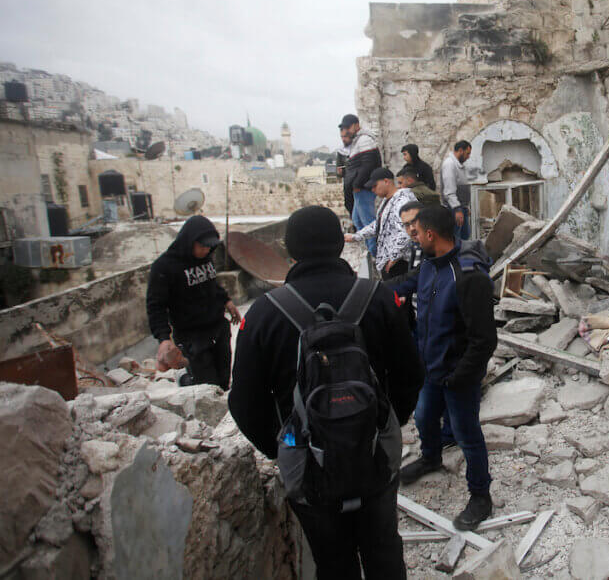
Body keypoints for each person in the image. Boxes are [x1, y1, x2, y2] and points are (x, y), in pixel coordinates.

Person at [228, 205, 424, 579]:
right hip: (375, 457)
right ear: (339, 245)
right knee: (383, 551)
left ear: (291, 250)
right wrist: (384, 425)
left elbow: (243, 402)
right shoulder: (377, 297)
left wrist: (284, 445)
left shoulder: (265, 314)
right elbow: (411, 374)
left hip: (307, 467)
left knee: (333, 562)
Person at [393, 206, 497, 530]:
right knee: (424, 417)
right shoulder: (429, 266)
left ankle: (481, 496)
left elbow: (484, 341)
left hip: (456, 377)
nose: (413, 235)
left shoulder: (468, 276)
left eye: (417, 230)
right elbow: (403, 286)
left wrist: (459, 377)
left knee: (467, 435)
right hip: (431, 369)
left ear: (431, 235)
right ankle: (431, 457)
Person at [146, 215, 241, 390]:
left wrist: (227, 301)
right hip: (192, 336)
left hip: (218, 329)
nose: (206, 250)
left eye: (209, 247)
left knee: (223, 380)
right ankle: (185, 379)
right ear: (189, 241)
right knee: (208, 387)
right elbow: (155, 305)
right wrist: (163, 338)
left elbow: (211, 284)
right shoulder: (164, 267)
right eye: (202, 246)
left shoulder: (204, 258)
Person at [345, 168, 417, 280]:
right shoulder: (387, 201)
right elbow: (378, 225)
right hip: (390, 261)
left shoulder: (402, 202)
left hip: (400, 263)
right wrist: (356, 236)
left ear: (386, 181)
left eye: (375, 185)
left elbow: (406, 232)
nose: (373, 190)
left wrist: (393, 258)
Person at [339, 114, 382, 255]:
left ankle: (376, 253)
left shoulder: (364, 140)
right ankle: (371, 251)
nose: (346, 132)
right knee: (358, 220)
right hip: (359, 188)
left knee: (367, 222)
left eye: (348, 128)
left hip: (363, 188)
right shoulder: (357, 141)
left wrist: (357, 184)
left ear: (356, 126)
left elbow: (368, 165)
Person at [439, 140, 473, 240]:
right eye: (467, 153)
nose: (468, 157)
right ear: (460, 151)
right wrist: (457, 209)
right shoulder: (449, 164)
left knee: (464, 238)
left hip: (460, 208)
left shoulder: (459, 165)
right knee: (456, 240)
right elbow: (449, 192)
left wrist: (465, 207)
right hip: (453, 210)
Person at [336, 128, 354, 218]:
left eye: (345, 137)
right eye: (342, 137)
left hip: (357, 183)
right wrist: (339, 172)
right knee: (349, 205)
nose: (343, 139)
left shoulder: (357, 148)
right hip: (347, 184)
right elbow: (339, 169)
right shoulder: (341, 151)